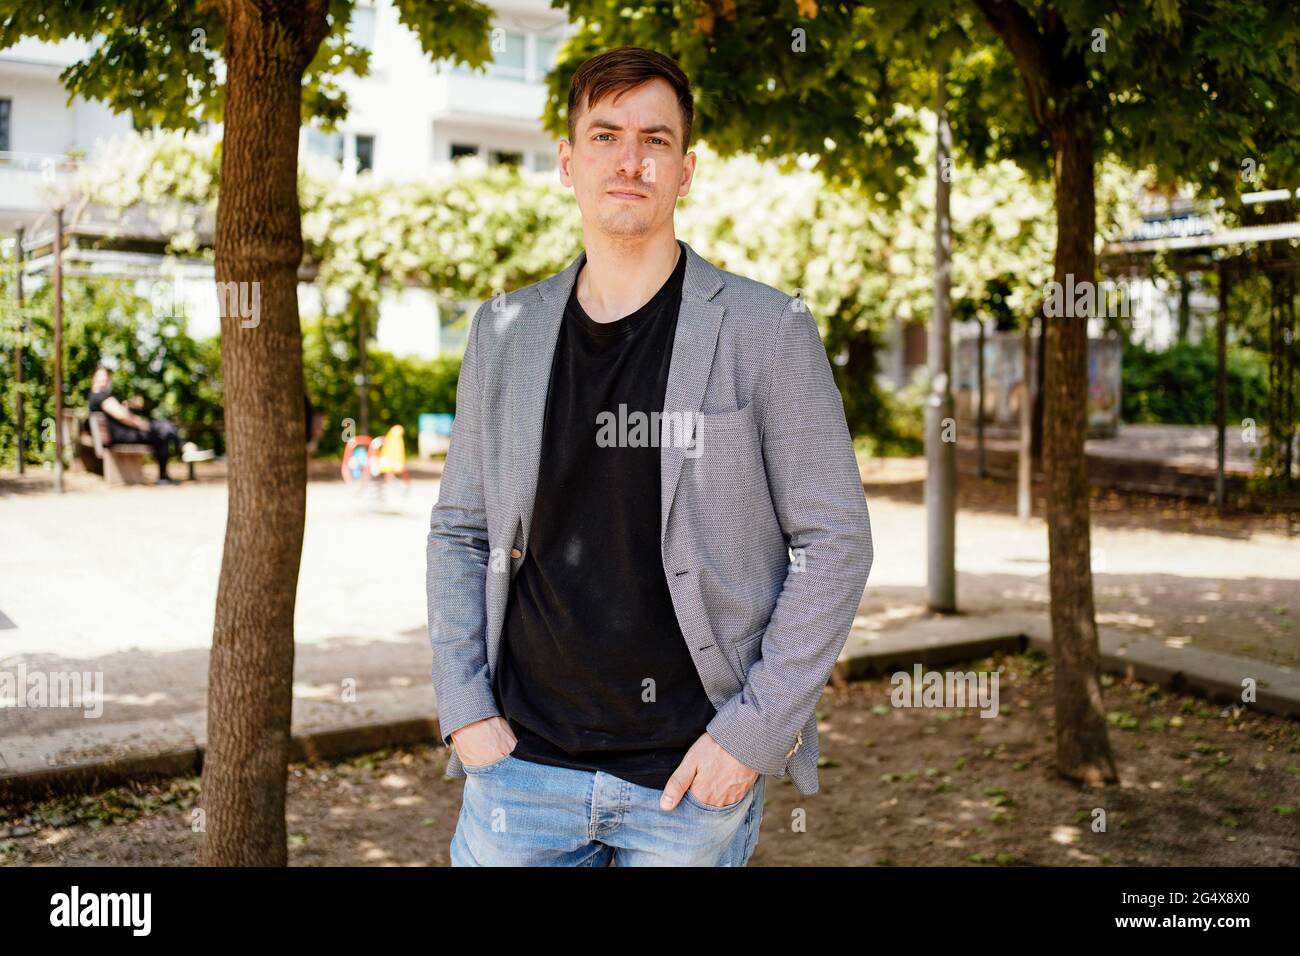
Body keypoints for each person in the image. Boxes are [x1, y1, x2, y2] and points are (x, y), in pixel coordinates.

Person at [427, 47, 873, 867]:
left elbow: (835, 542)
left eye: (655, 140)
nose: (630, 159)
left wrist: (752, 733)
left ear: (686, 168)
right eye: (604, 135)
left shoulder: (766, 329)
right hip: (517, 775)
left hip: (689, 782)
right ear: (567, 162)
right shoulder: (503, 333)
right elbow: (461, 527)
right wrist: (463, 707)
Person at [87, 366, 186, 486]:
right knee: (162, 433)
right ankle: (180, 451)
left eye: (106, 378)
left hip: (120, 434)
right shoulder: (100, 396)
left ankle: (182, 447)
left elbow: (119, 412)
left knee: (163, 428)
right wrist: (140, 424)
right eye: (100, 377)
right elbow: (121, 415)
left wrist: (128, 405)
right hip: (121, 436)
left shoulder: (96, 396)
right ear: (93, 379)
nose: (104, 380)